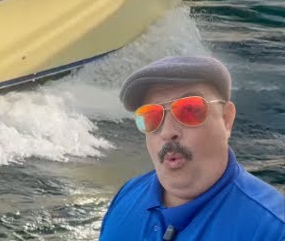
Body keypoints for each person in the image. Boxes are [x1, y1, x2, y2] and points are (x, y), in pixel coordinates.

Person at [99, 55, 285, 240]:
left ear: (226, 119)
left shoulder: (272, 230)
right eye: (150, 115)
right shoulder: (127, 196)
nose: (167, 131)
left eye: (190, 110)